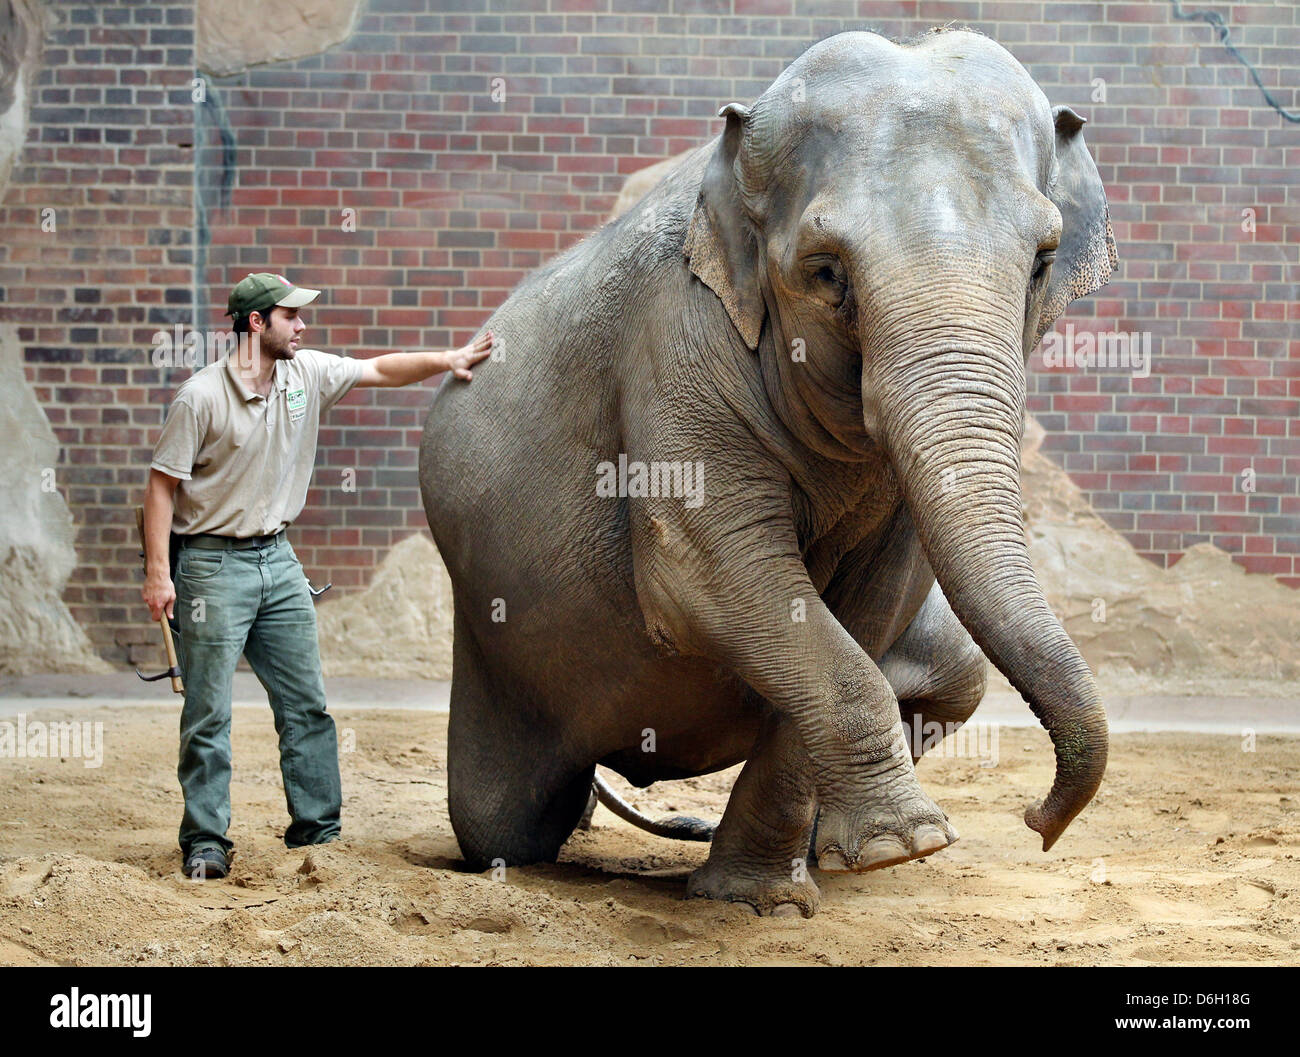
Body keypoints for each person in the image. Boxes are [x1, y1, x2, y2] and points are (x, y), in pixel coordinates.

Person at [142, 272, 492, 879]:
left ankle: (317, 832)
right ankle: (205, 840)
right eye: (291, 316)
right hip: (209, 564)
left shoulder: (305, 374)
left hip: (279, 560)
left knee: (306, 705)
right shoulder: (199, 398)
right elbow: (161, 487)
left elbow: (380, 370)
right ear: (257, 323)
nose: (303, 326)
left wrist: (449, 359)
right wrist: (157, 575)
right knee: (208, 712)